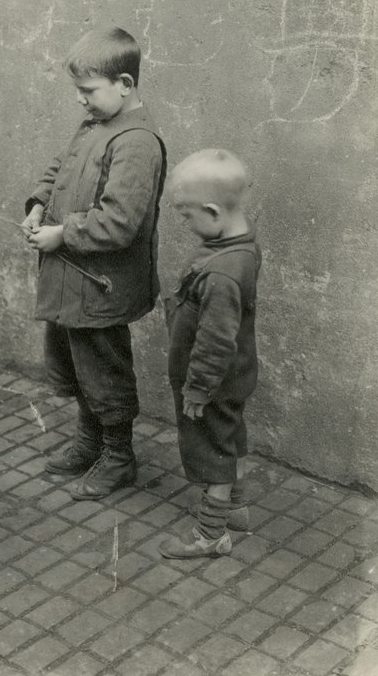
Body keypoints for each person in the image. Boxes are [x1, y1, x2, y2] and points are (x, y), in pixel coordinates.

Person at [22, 26, 166, 500]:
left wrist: (64, 233)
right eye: (78, 91)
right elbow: (59, 167)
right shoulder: (93, 125)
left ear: (125, 84)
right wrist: (39, 205)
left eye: (88, 91)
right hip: (72, 280)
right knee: (78, 366)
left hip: (103, 285)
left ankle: (119, 457)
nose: (81, 101)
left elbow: (120, 221)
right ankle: (90, 442)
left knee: (105, 372)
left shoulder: (137, 142)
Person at [159, 149, 261, 558]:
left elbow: (216, 339)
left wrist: (197, 390)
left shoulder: (222, 273)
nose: (185, 224)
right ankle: (234, 509)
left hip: (212, 382)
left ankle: (211, 534)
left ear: (214, 211)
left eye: (186, 216)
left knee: (212, 452)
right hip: (232, 374)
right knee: (228, 438)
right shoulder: (239, 244)